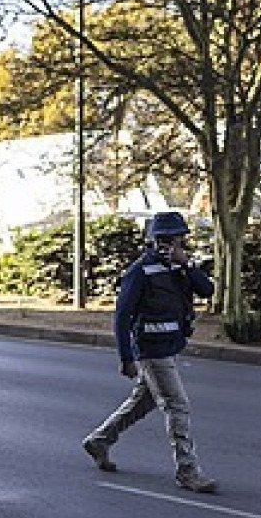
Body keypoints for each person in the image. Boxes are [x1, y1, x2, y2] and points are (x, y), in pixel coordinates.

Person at [82, 211, 219, 493]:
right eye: (169, 239)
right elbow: (122, 318)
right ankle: (187, 471)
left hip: (169, 348)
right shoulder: (141, 271)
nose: (174, 245)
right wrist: (126, 357)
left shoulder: (179, 268)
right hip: (152, 351)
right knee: (177, 406)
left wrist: (188, 266)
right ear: (156, 241)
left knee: (143, 402)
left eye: (179, 239)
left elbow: (207, 290)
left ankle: (100, 440)